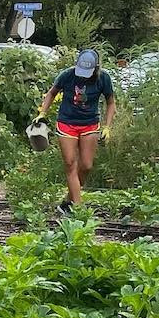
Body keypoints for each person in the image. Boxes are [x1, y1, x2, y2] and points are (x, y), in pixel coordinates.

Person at [37, 48, 116, 214]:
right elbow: (52, 93)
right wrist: (42, 113)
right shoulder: (67, 75)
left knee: (86, 165)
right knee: (70, 164)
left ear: (96, 68)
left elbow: (110, 102)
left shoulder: (104, 78)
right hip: (67, 123)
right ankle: (78, 209)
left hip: (90, 124)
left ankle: (68, 201)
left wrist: (107, 126)